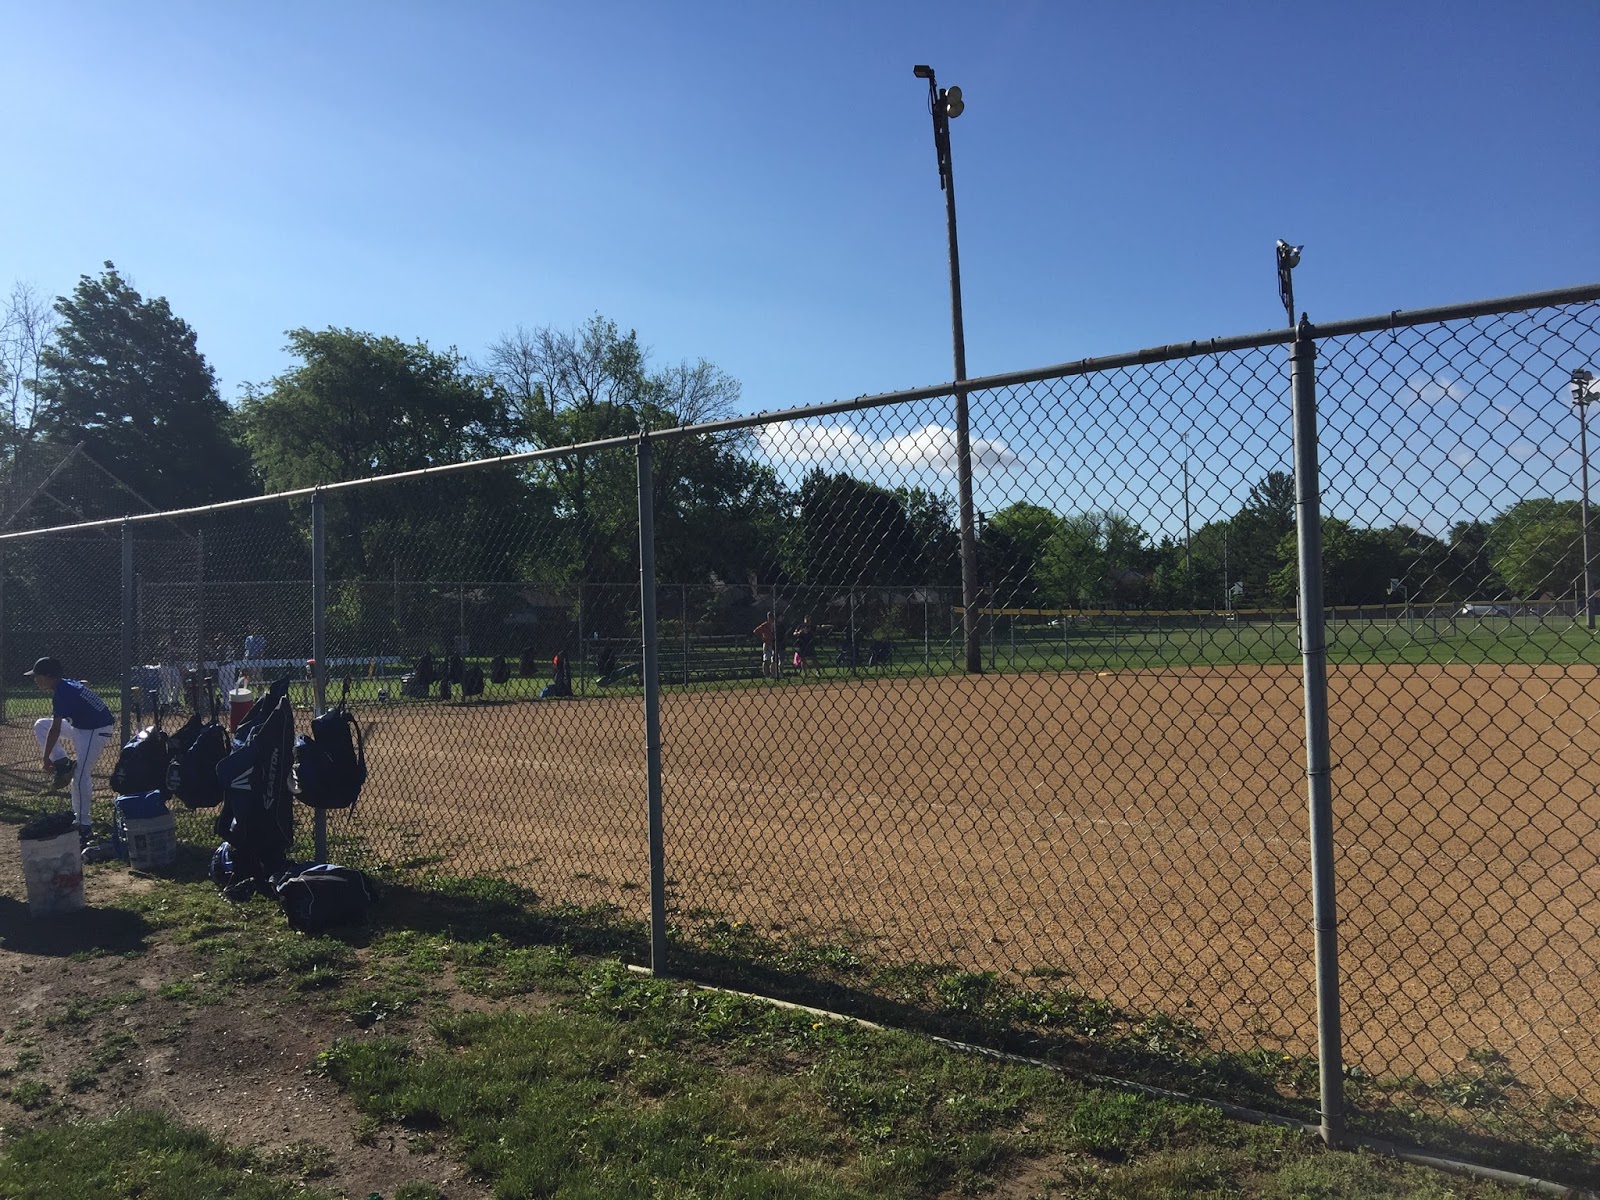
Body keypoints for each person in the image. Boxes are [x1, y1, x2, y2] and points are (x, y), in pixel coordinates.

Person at [26, 656, 116, 851]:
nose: (35, 680)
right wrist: (54, 759)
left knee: (80, 775)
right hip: (81, 726)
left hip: (96, 729)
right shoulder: (64, 685)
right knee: (40, 724)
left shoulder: (62, 692)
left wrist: (45, 758)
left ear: (50, 676)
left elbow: (56, 729)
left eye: (38, 676)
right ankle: (63, 763)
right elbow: (82, 684)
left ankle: (84, 826)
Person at [792, 616, 818, 682]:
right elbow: (794, 633)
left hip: (810, 644)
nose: (807, 621)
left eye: (809, 620)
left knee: (813, 658)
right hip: (802, 644)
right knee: (803, 659)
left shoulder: (812, 627)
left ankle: (818, 671)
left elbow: (815, 633)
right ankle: (805, 673)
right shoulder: (800, 626)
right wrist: (799, 633)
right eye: (806, 620)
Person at [753, 611, 777, 679]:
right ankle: (766, 674)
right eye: (769, 617)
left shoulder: (775, 625)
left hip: (773, 643)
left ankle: (773, 674)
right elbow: (755, 631)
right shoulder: (765, 625)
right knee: (766, 659)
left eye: (772, 617)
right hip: (767, 643)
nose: (771, 619)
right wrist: (762, 637)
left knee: (774, 659)